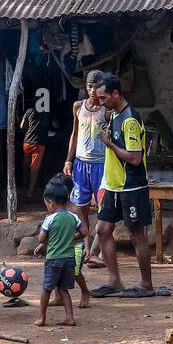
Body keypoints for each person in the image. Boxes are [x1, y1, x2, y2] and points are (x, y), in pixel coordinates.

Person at [90, 73, 156, 298]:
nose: (100, 102)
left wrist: (108, 143)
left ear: (116, 94)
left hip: (131, 185)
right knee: (102, 229)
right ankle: (114, 281)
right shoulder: (115, 115)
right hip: (114, 185)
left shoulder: (129, 119)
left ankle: (146, 284)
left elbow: (135, 158)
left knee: (137, 234)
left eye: (103, 97)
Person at [64, 69, 107, 268]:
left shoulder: (107, 110)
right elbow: (74, 134)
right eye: (89, 86)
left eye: (96, 86)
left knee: (103, 208)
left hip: (101, 164)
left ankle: (97, 250)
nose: (92, 90)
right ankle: (88, 246)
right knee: (80, 208)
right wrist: (68, 161)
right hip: (81, 163)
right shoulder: (78, 106)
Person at [34, 179, 86, 326]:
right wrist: (71, 236)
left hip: (54, 260)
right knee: (63, 289)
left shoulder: (50, 219)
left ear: (51, 202)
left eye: (46, 204)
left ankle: (42, 318)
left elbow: (41, 237)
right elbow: (84, 232)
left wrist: (45, 240)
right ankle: (70, 317)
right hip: (69, 259)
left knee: (46, 289)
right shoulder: (73, 216)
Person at [21, 103, 47, 198]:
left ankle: (24, 181)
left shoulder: (29, 110)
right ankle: (30, 192)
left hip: (27, 141)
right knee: (34, 168)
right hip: (39, 142)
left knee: (26, 162)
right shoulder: (46, 112)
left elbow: (22, 126)